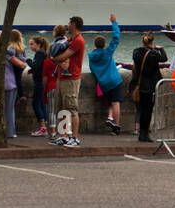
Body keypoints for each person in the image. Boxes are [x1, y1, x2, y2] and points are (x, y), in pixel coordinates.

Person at [52, 16, 86, 147]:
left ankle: (75, 137)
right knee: (61, 108)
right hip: (62, 77)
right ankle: (64, 136)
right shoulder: (71, 39)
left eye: (69, 23)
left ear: (74, 24)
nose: (67, 25)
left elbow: (64, 55)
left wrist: (54, 58)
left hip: (71, 78)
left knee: (72, 108)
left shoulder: (78, 41)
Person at [87, 14, 124, 135]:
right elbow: (116, 39)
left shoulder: (92, 58)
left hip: (103, 84)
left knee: (110, 103)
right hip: (114, 81)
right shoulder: (107, 52)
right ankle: (116, 127)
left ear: (95, 45)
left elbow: (92, 70)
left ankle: (110, 117)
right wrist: (114, 23)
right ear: (104, 44)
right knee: (116, 102)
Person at [130, 32, 166, 142]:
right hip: (150, 85)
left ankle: (141, 133)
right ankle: (145, 133)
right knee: (148, 111)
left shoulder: (136, 52)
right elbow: (164, 58)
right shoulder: (154, 54)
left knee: (141, 110)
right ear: (152, 42)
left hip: (138, 84)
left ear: (143, 41)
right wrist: (161, 49)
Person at [27, 36, 51, 137]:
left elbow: (36, 66)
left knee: (35, 104)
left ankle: (43, 127)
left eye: (32, 44)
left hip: (39, 83)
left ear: (39, 44)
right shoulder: (43, 53)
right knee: (42, 104)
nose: (30, 46)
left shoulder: (39, 54)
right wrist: (32, 70)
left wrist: (28, 61)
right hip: (42, 82)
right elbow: (41, 67)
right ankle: (44, 126)